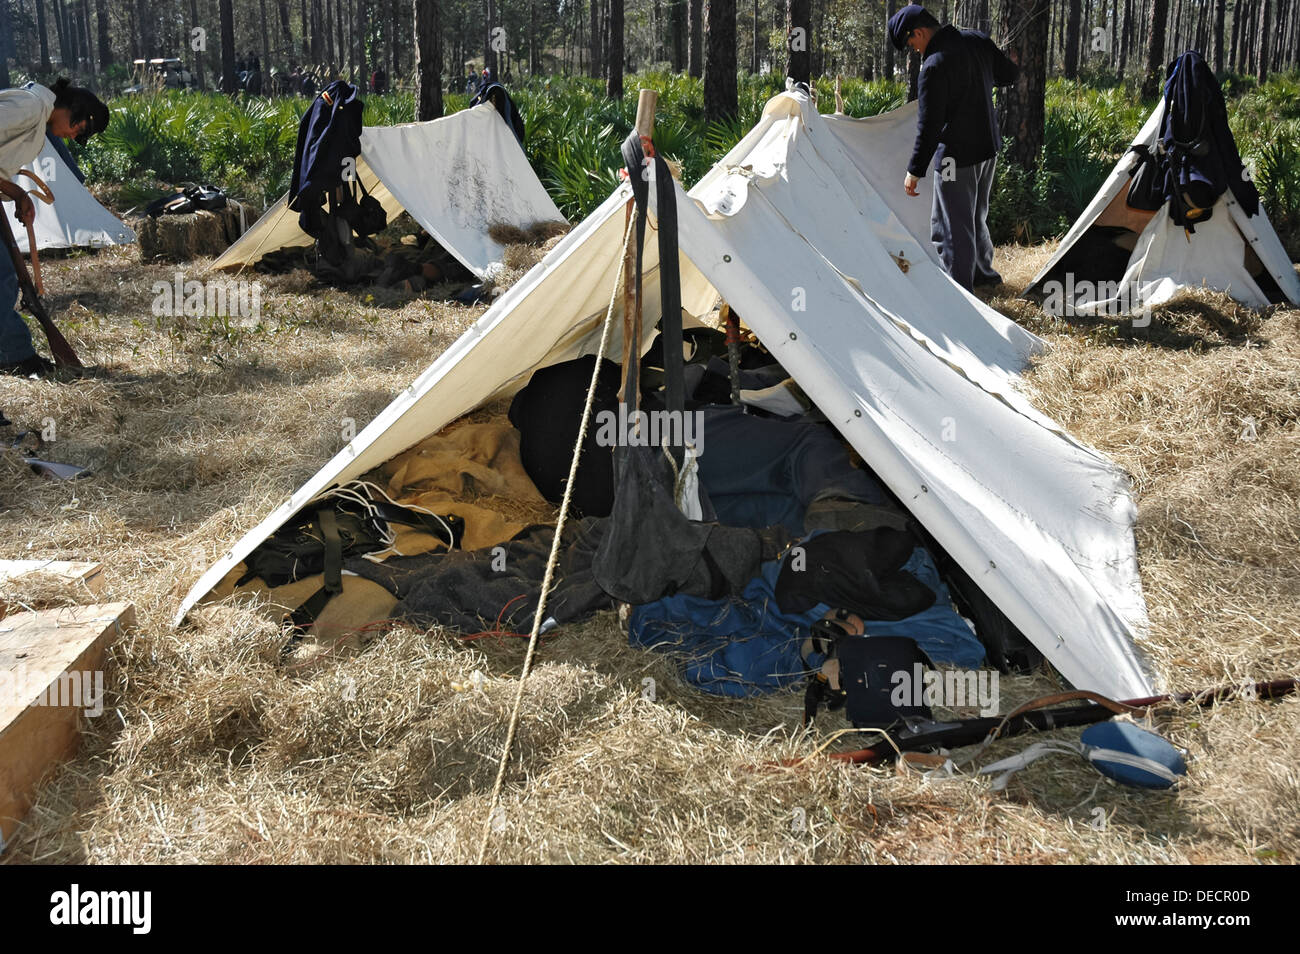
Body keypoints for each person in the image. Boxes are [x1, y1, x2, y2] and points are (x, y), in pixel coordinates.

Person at [888, 4, 1018, 290]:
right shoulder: (977, 40)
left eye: (912, 44)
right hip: (988, 148)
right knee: (975, 217)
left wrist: (914, 170)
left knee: (950, 228)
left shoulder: (934, 65)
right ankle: (984, 276)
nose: (915, 51)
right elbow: (1009, 75)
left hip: (955, 159)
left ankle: (961, 293)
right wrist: (980, 75)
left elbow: (930, 126)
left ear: (920, 32)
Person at [0, 79, 108, 375]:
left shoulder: (35, 114)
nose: (74, 136)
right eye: (81, 128)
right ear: (73, 110)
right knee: (2, 277)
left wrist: (14, 193)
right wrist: (18, 193)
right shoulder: (30, 106)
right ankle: (14, 357)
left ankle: (12, 354)